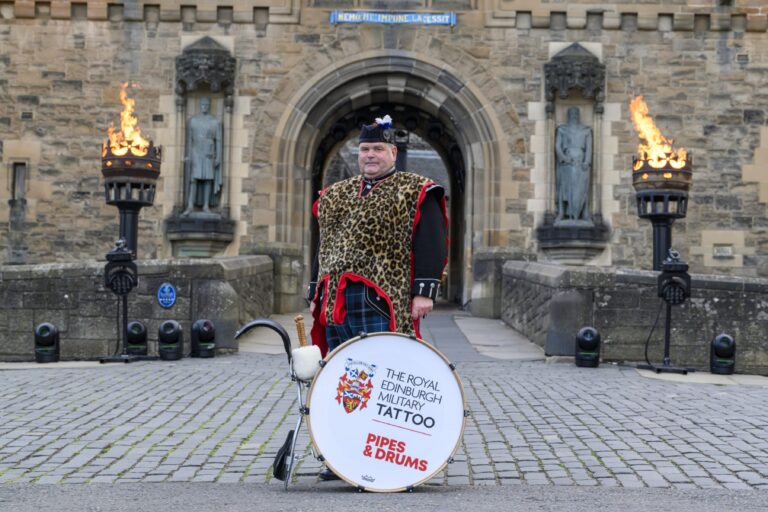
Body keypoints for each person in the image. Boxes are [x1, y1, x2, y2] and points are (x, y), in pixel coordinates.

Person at [307, 116, 448, 480]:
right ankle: (341, 459)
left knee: (384, 380)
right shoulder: (336, 194)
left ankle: (384, 457)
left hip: (381, 299)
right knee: (343, 380)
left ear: (393, 152)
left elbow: (431, 240)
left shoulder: (415, 189)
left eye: (378, 150)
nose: (370, 156)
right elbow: (323, 248)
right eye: (365, 149)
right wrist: (314, 290)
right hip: (335, 299)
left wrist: (425, 291)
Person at [182, 97, 223, 215]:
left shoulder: (214, 122)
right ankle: (190, 205)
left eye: (206, 104)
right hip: (196, 152)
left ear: (209, 105)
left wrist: (219, 156)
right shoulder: (193, 121)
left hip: (209, 153)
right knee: (194, 179)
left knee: (208, 179)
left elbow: (218, 140)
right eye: (202, 104)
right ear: (200, 105)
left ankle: (206, 206)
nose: (204, 106)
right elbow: (189, 140)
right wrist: (188, 155)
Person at [555, 106, 592, 222]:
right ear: (568, 116)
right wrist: (564, 158)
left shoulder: (586, 130)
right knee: (563, 189)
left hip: (581, 164)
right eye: (572, 114)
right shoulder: (562, 130)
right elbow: (558, 146)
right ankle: (561, 212)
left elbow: (589, 148)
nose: (574, 116)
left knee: (582, 189)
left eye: (576, 114)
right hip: (566, 163)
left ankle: (584, 213)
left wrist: (586, 161)